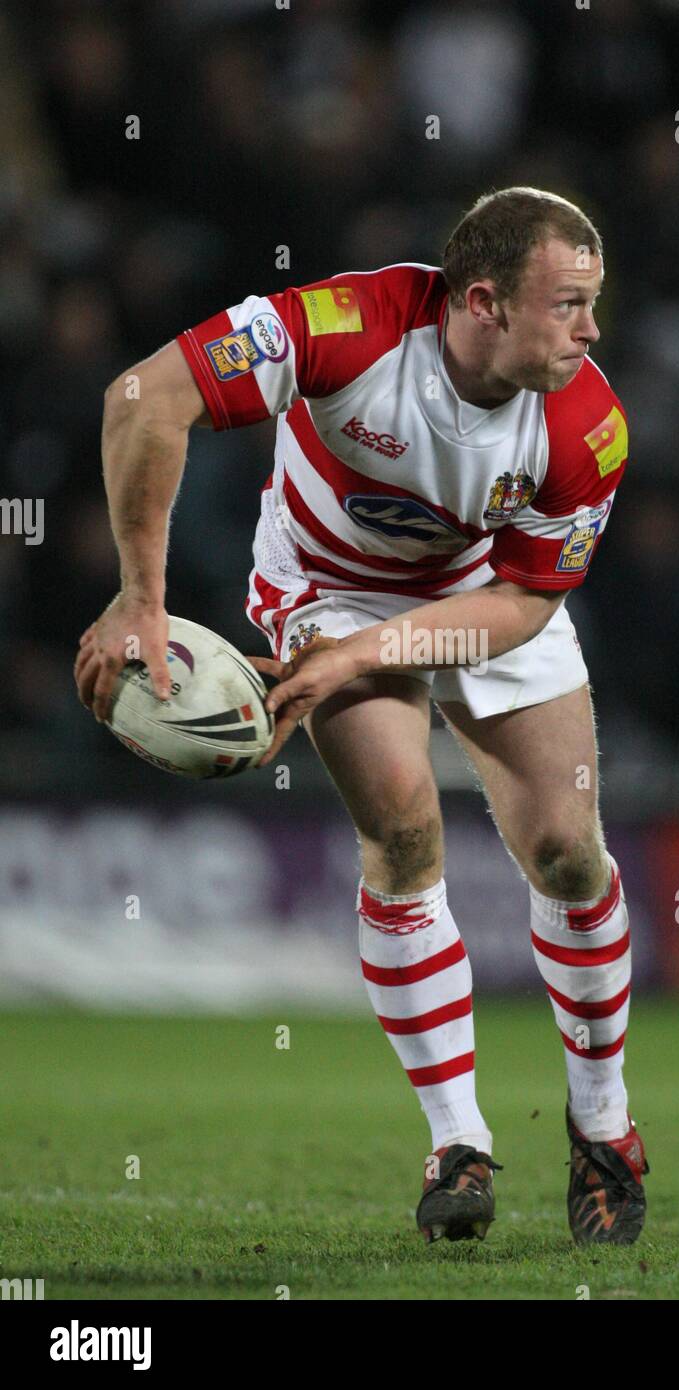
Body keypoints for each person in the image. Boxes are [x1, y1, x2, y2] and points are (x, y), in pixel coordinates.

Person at [75, 187, 648, 1246]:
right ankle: (458, 1141)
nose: (591, 330)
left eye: (593, 304)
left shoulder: (587, 424)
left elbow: (524, 600)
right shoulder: (342, 328)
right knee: (401, 825)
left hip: (485, 599)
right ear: (480, 301)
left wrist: (371, 656)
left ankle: (604, 1125)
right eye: (568, 304)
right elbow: (141, 396)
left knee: (567, 852)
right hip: (328, 586)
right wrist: (140, 598)